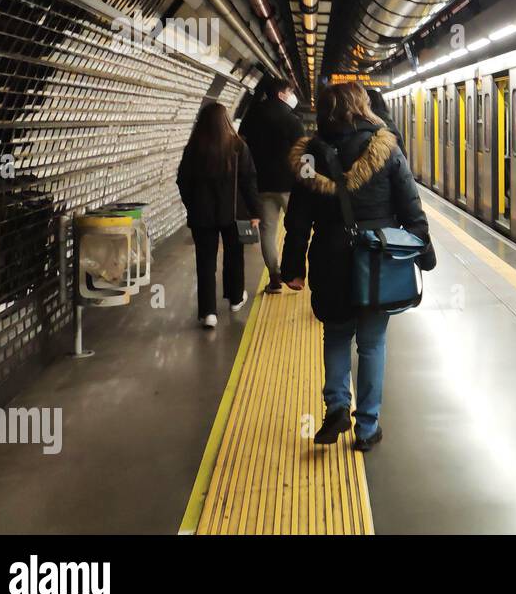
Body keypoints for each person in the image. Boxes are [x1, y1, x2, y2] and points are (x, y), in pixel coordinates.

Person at [281, 83, 436, 451]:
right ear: (362, 107)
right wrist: (425, 255)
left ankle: (336, 405)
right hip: (376, 261)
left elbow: (298, 220)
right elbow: (411, 208)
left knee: (335, 334)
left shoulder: (309, 157)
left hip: (329, 257)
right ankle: (366, 428)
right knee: (372, 343)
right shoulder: (386, 149)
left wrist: (292, 267)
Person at [176, 103, 262, 328]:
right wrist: (255, 211)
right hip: (233, 214)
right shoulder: (238, 146)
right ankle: (235, 299)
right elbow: (248, 181)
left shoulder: (193, 148)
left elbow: (183, 181)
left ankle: (208, 313)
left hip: (202, 216)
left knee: (205, 262)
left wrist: (192, 205)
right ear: (226, 120)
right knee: (235, 256)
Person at [239, 76, 304, 292]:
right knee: (296, 228)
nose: (292, 96)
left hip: (263, 184)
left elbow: (243, 143)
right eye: (290, 91)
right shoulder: (292, 120)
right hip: (290, 185)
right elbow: (303, 153)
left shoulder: (252, 116)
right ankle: (294, 274)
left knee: (267, 231)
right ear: (281, 94)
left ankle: (275, 278)